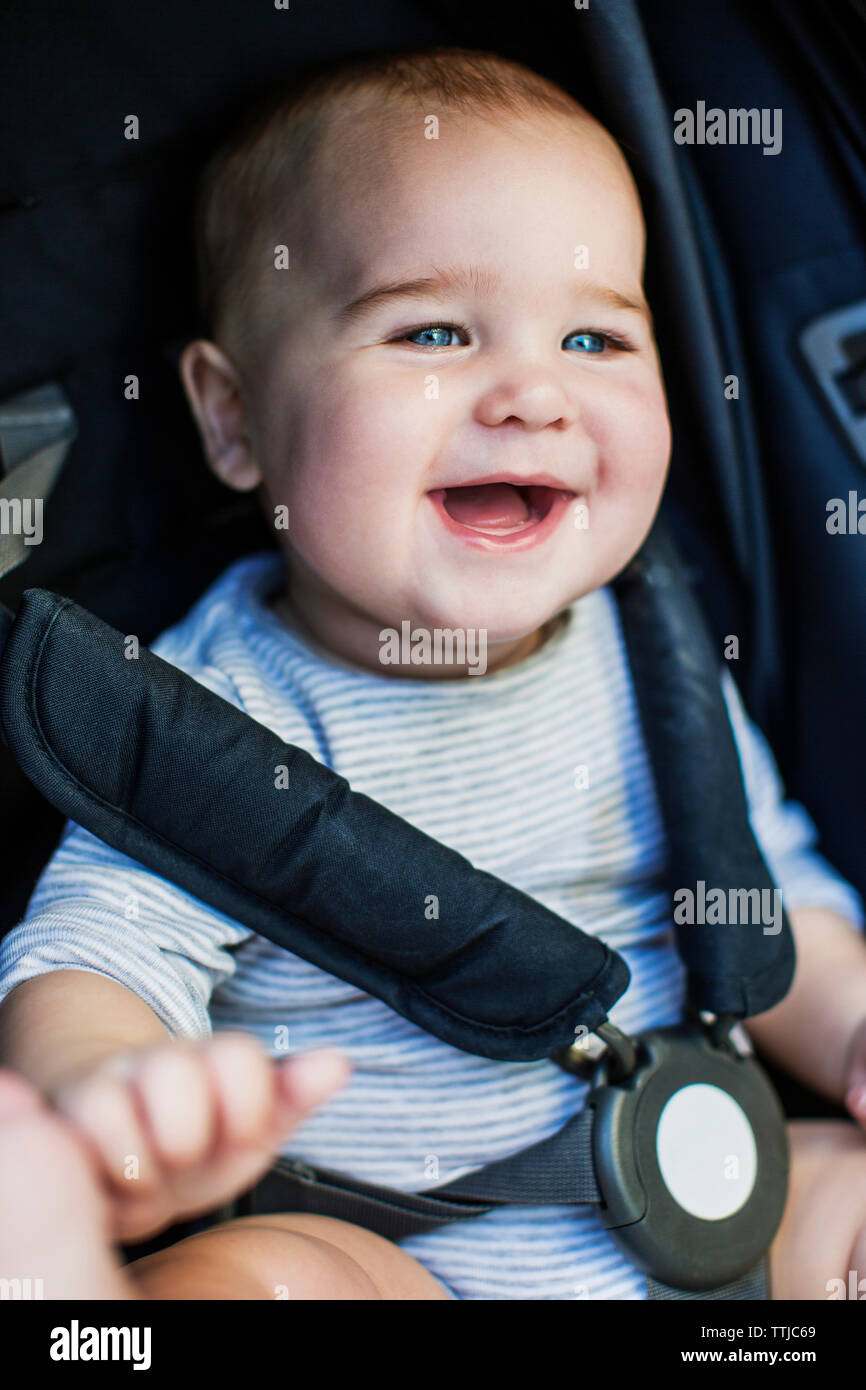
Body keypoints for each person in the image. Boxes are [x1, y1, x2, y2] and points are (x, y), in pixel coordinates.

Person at [2, 46, 866, 1301]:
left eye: (591, 336)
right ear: (233, 418)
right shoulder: (213, 715)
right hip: (407, 1256)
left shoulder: (656, 650)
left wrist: (846, 1030)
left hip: (720, 1210)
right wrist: (114, 1088)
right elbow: (92, 959)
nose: (530, 393)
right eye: (431, 331)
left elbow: (769, 896)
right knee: (262, 1281)